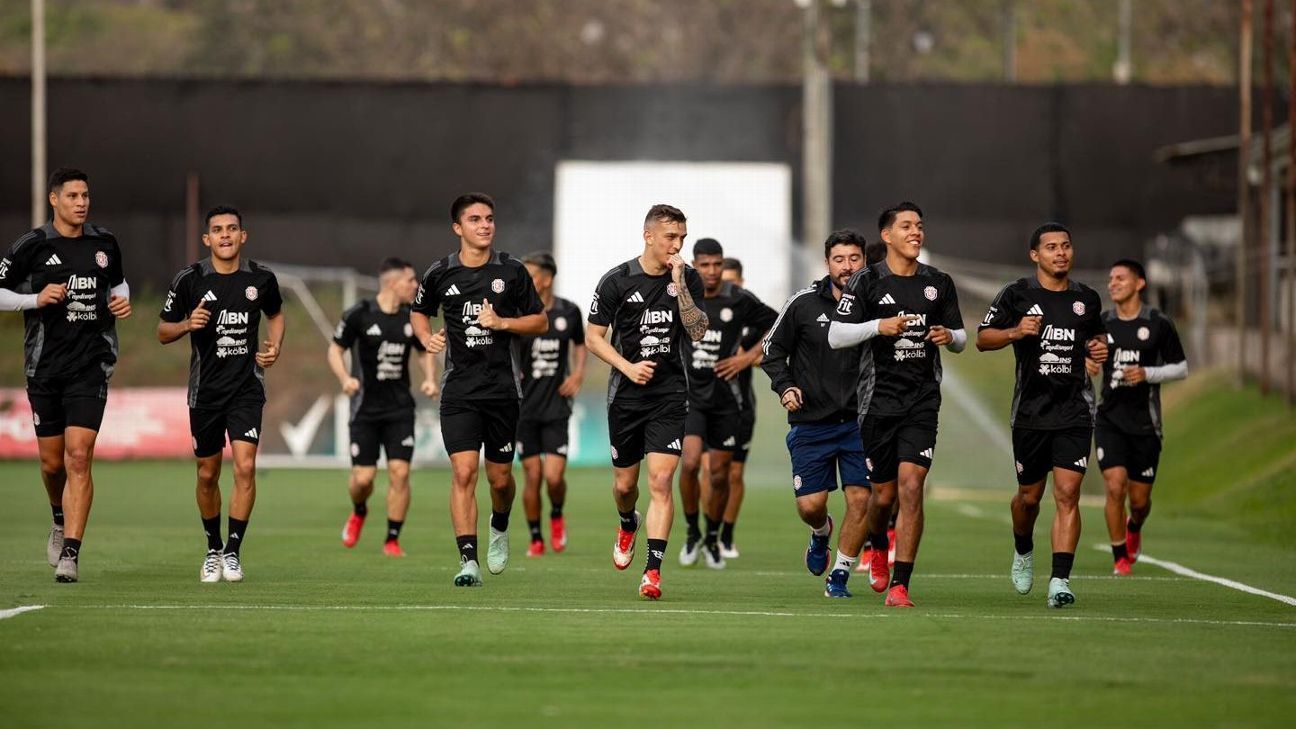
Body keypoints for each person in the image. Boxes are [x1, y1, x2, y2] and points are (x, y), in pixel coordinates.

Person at [828, 202, 966, 607]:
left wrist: (949, 337)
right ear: (887, 236)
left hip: (922, 400)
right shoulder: (866, 281)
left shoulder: (938, 282)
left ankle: (901, 585)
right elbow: (836, 335)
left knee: (912, 486)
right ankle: (876, 547)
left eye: (919, 225)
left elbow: (961, 338)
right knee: (882, 497)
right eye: (906, 226)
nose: (915, 232)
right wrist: (878, 326)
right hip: (877, 402)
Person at [0, 167, 132, 583]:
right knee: (52, 463)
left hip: (90, 365)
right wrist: (34, 299)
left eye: (86, 195)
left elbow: (120, 284)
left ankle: (71, 553)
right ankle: (59, 517)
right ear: (54, 199)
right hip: (45, 367)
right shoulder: (32, 246)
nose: (81, 202)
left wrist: (120, 303)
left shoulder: (104, 242)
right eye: (73, 196)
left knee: (79, 456)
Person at [410, 193, 547, 587]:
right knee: (464, 471)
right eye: (475, 219)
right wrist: (425, 339)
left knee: (500, 479)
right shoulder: (439, 273)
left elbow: (539, 322)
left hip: (503, 390)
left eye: (489, 218)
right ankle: (468, 560)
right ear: (458, 228)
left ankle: (499, 525)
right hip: (459, 391)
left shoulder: (513, 271)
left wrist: (502, 323)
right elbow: (419, 311)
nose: (485, 225)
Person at [976, 222, 1107, 608]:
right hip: (1031, 413)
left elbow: (1095, 339)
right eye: (1051, 247)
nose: (1061, 253)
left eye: (1066, 246)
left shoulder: (1087, 298)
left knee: (1068, 494)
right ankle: (1022, 548)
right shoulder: (1016, 294)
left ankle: (1060, 581)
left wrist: (1097, 350)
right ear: (1035, 255)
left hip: (1075, 411)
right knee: (1028, 499)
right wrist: (1016, 331)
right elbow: (983, 338)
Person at [585, 204, 707, 600]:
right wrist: (628, 366)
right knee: (625, 486)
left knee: (660, 480)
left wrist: (682, 286)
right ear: (649, 236)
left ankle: (652, 572)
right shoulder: (616, 281)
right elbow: (593, 338)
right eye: (671, 237)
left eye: (682, 238)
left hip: (670, 395)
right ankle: (626, 522)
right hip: (626, 395)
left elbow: (699, 331)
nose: (678, 245)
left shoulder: (687, 278)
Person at [158, 205, 286, 583]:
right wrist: (186, 324)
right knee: (207, 472)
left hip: (247, 389)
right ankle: (212, 548)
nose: (226, 235)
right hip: (206, 393)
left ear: (243, 236)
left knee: (245, 466)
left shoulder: (261, 279)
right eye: (218, 230)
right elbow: (162, 331)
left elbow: (276, 314)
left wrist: (274, 346)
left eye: (232, 229)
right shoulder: (190, 279)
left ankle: (232, 551)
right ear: (207, 239)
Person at [760, 229, 871, 598]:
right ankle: (821, 532)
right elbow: (770, 351)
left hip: (861, 423)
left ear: (864, 261)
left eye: (854, 259)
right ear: (827, 263)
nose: (847, 266)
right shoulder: (803, 303)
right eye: (839, 259)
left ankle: (839, 575)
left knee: (861, 500)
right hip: (811, 422)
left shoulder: (876, 305)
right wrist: (786, 386)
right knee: (811, 506)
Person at [678, 239, 777, 569]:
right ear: (694, 265)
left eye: (716, 264)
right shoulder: (682, 295)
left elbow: (778, 324)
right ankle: (692, 532)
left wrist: (748, 357)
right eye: (704, 265)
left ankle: (712, 537)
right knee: (690, 464)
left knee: (720, 476)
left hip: (727, 400)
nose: (711, 271)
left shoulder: (738, 299)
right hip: (690, 398)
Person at [330, 257, 436, 557]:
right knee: (363, 479)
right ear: (392, 282)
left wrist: (429, 378)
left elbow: (425, 349)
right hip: (364, 410)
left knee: (400, 474)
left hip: (400, 410)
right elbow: (335, 350)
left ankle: (392, 539)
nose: (415, 285)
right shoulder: (359, 315)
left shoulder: (411, 317)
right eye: (410, 280)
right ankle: (359, 509)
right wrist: (345, 378)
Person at [1088, 259, 1187, 576]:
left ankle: (1135, 525)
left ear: (1140, 283)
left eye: (1120, 278)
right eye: (1110, 278)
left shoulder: (1158, 323)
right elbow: (1086, 358)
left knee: (1140, 500)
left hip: (1146, 423)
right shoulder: (1101, 323)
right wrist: (1086, 366)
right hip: (1108, 420)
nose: (1112, 283)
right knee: (1115, 487)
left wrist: (1147, 373)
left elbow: (1181, 368)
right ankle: (1120, 557)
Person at [515, 251, 586, 557]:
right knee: (533, 476)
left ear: (546, 279)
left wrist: (578, 374)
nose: (525, 281)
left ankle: (556, 514)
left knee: (554, 477)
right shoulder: (519, 313)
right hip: (523, 409)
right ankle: (535, 537)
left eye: (530, 275)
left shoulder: (569, 312)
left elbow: (582, 345)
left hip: (557, 406)